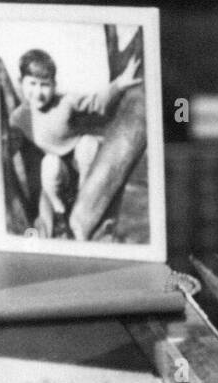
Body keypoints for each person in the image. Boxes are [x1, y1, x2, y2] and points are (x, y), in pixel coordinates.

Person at [8, 47, 143, 240]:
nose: (38, 92)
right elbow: (11, 142)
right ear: (21, 82)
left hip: (79, 162)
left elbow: (96, 102)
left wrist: (120, 84)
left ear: (54, 85)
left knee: (87, 143)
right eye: (32, 84)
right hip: (57, 168)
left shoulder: (66, 102)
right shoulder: (19, 117)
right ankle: (60, 212)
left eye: (44, 85)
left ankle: (83, 195)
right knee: (50, 163)